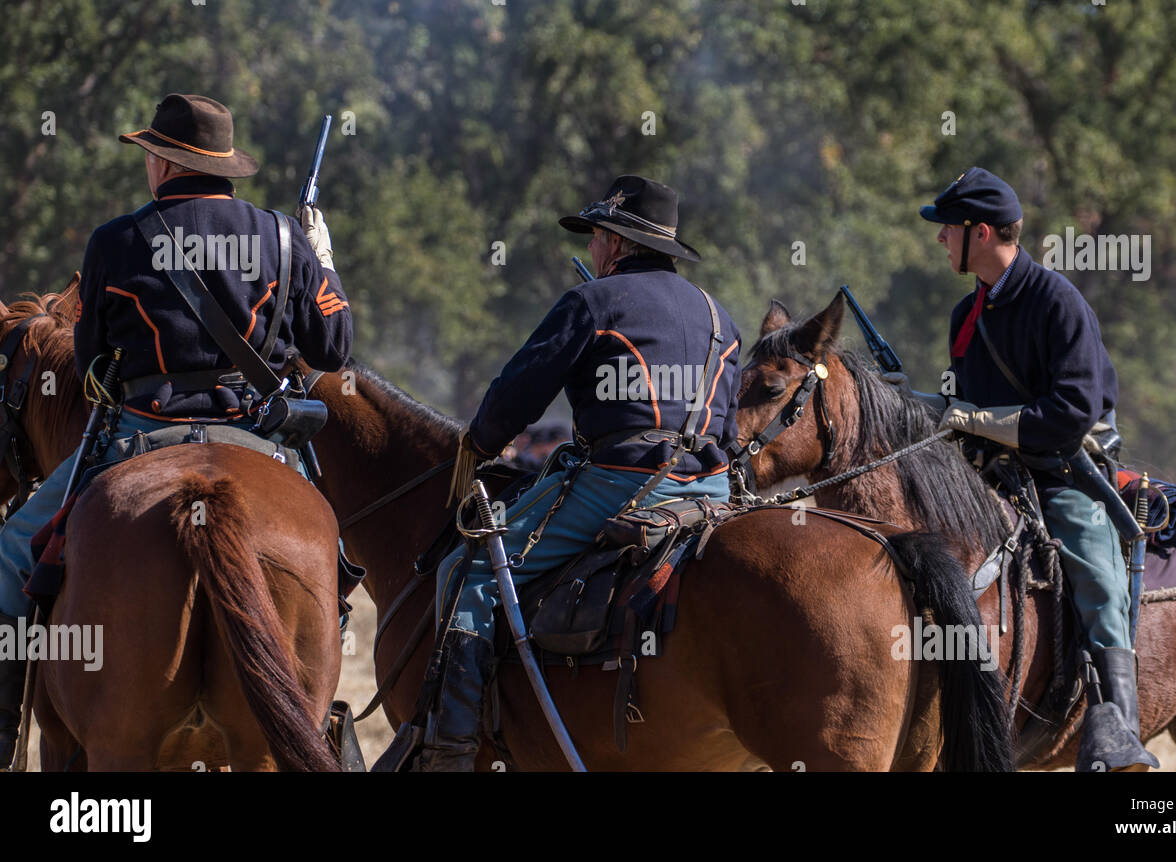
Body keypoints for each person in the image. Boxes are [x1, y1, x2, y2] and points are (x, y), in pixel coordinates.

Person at [0, 93, 351, 768]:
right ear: (223, 166)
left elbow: (92, 358)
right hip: (260, 440)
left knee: (13, 554)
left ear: (161, 163)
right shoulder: (282, 237)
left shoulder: (114, 241)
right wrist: (321, 259)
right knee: (332, 566)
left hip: (136, 437)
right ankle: (323, 721)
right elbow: (335, 347)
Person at [419, 175, 742, 770]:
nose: (594, 247)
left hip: (624, 480)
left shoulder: (592, 303)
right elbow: (727, 430)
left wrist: (481, 442)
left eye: (596, 234)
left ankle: (449, 751)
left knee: (468, 575)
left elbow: (519, 393)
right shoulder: (719, 315)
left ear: (613, 242)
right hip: (713, 488)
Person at [889, 167, 1158, 772]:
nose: (940, 240)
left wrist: (968, 417)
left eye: (948, 230)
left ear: (980, 234)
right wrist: (912, 401)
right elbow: (960, 403)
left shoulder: (1057, 300)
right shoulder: (966, 312)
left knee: (1097, 578)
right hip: (984, 471)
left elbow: (1069, 413)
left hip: (1061, 468)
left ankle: (1120, 737)